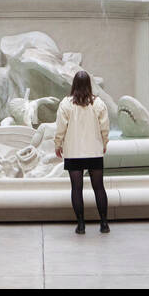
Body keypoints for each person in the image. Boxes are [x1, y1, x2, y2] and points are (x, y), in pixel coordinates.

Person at [54, 70, 111, 234]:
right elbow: (105, 128)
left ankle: (81, 225)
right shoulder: (98, 103)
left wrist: (58, 144)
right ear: (89, 85)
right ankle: (104, 223)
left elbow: (60, 128)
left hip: (73, 152)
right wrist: (104, 143)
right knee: (99, 188)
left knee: (76, 189)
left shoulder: (66, 104)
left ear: (74, 85)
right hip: (94, 151)